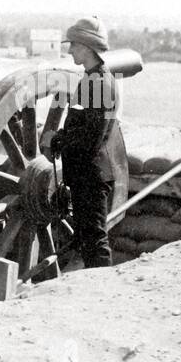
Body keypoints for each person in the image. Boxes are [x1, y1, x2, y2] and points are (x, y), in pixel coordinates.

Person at [46, 16, 120, 269]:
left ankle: (101, 293)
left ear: (88, 47)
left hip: (92, 173)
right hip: (86, 173)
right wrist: (63, 136)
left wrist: (62, 139)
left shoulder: (98, 82)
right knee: (88, 238)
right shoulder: (92, 79)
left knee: (95, 240)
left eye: (74, 45)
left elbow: (92, 137)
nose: (70, 51)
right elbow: (82, 125)